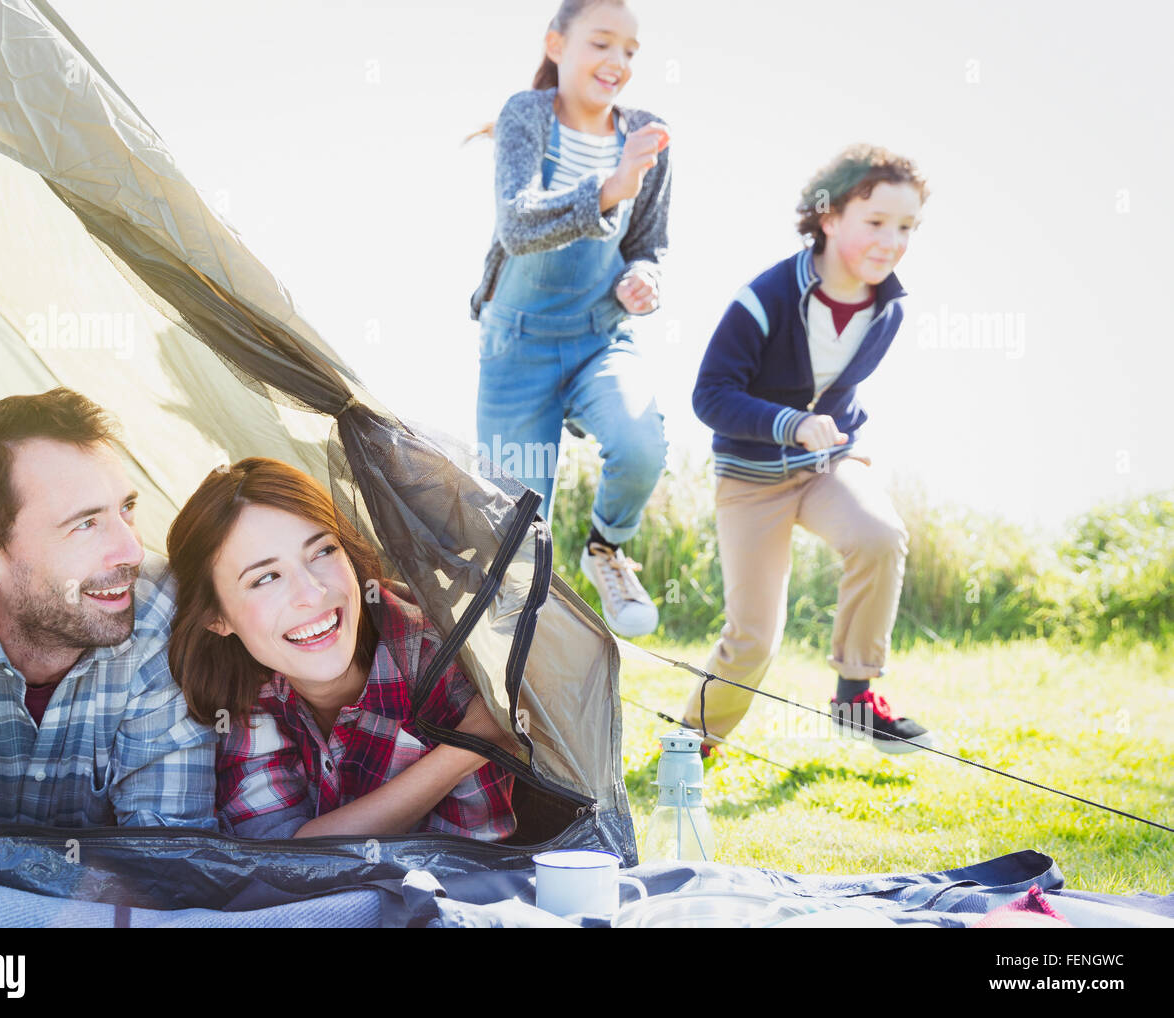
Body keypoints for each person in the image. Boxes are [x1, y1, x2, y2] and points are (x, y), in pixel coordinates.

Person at [682, 145, 935, 755]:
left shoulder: (889, 308)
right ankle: (693, 743)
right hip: (751, 479)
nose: (891, 241)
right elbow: (710, 396)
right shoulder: (764, 299)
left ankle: (855, 697)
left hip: (828, 466)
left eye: (906, 227)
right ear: (829, 218)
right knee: (754, 638)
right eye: (875, 222)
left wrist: (832, 438)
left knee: (879, 535)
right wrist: (789, 424)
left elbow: (839, 391)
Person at [166, 457, 516, 840]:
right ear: (217, 618)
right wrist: (466, 749)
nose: (312, 593)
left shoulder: (440, 660)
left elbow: (473, 859)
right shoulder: (244, 689)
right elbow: (275, 858)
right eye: (266, 577)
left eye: (322, 552)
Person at [469, 0, 671, 638]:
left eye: (630, 51)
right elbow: (519, 224)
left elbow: (649, 246)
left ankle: (607, 549)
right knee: (516, 542)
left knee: (641, 444)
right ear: (556, 44)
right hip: (517, 350)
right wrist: (611, 186)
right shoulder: (527, 115)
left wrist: (647, 280)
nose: (618, 63)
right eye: (602, 43)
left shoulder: (645, 134)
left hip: (599, 341)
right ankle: (520, 699)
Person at [0, 388, 218, 829]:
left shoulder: (159, 615)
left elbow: (169, 860)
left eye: (126, 509)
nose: (132, 551)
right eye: (85, 524)